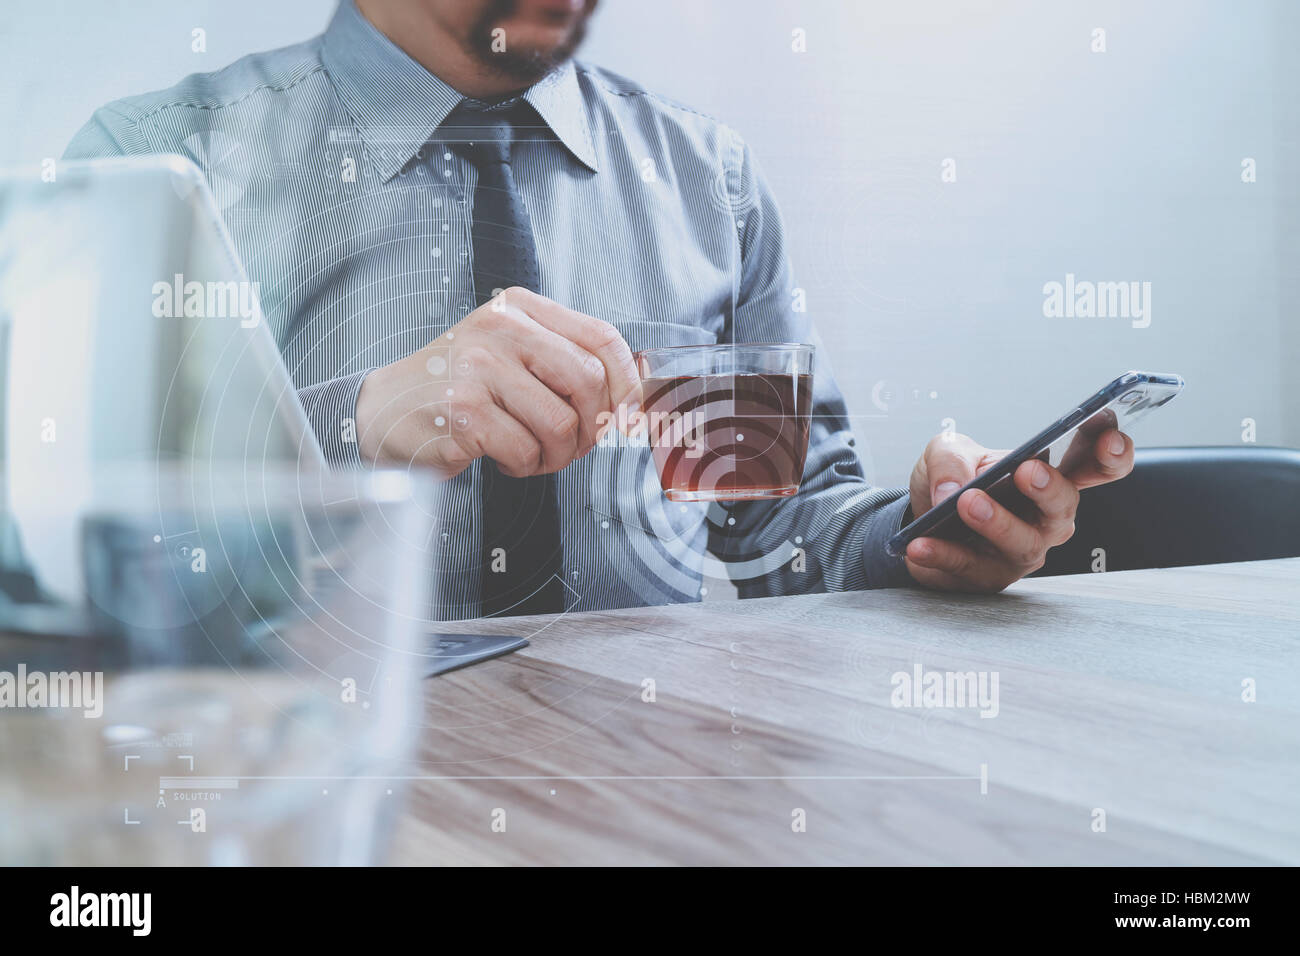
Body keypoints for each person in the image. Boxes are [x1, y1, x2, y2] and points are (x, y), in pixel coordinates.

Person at [64, 0, 1134, 617]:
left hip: (649, 805)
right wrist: (350, 428)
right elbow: (75, 565)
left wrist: (925, 533)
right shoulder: (154, 167)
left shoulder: (705, 180)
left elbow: (772, 528)